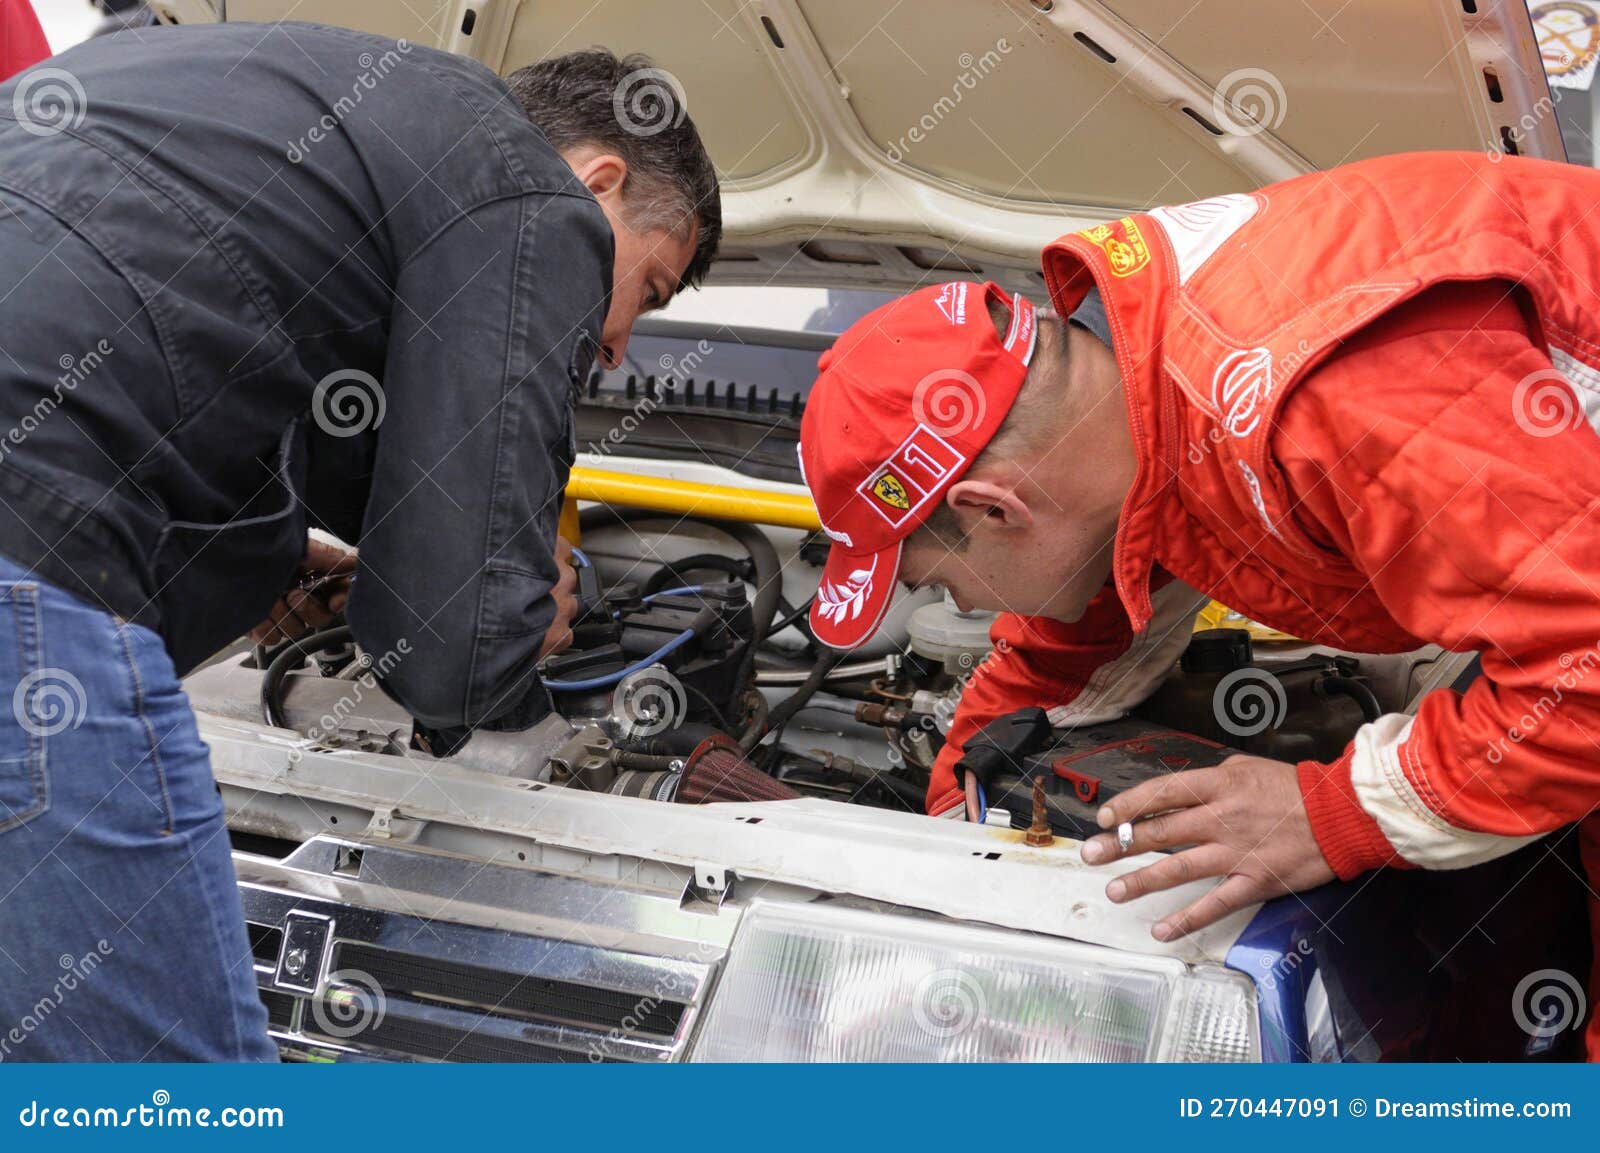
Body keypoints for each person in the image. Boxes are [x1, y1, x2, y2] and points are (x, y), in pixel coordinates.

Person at [0, 22, 718, 1060]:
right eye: (646, 292)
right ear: (597, 183)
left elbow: (188, 346)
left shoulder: (216, 94)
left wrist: (293, 555)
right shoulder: (526, 192)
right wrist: (509, 618)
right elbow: (446, 639)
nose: (616, 351)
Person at [796, 150, 1600, 1058]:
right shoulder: (1140, 392)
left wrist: (1333, 812)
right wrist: (955, 808)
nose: (959, 607)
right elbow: (1069, 629)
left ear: (994, 509)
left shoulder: (1317, 390)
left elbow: (1585, 672)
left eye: (939, 583)